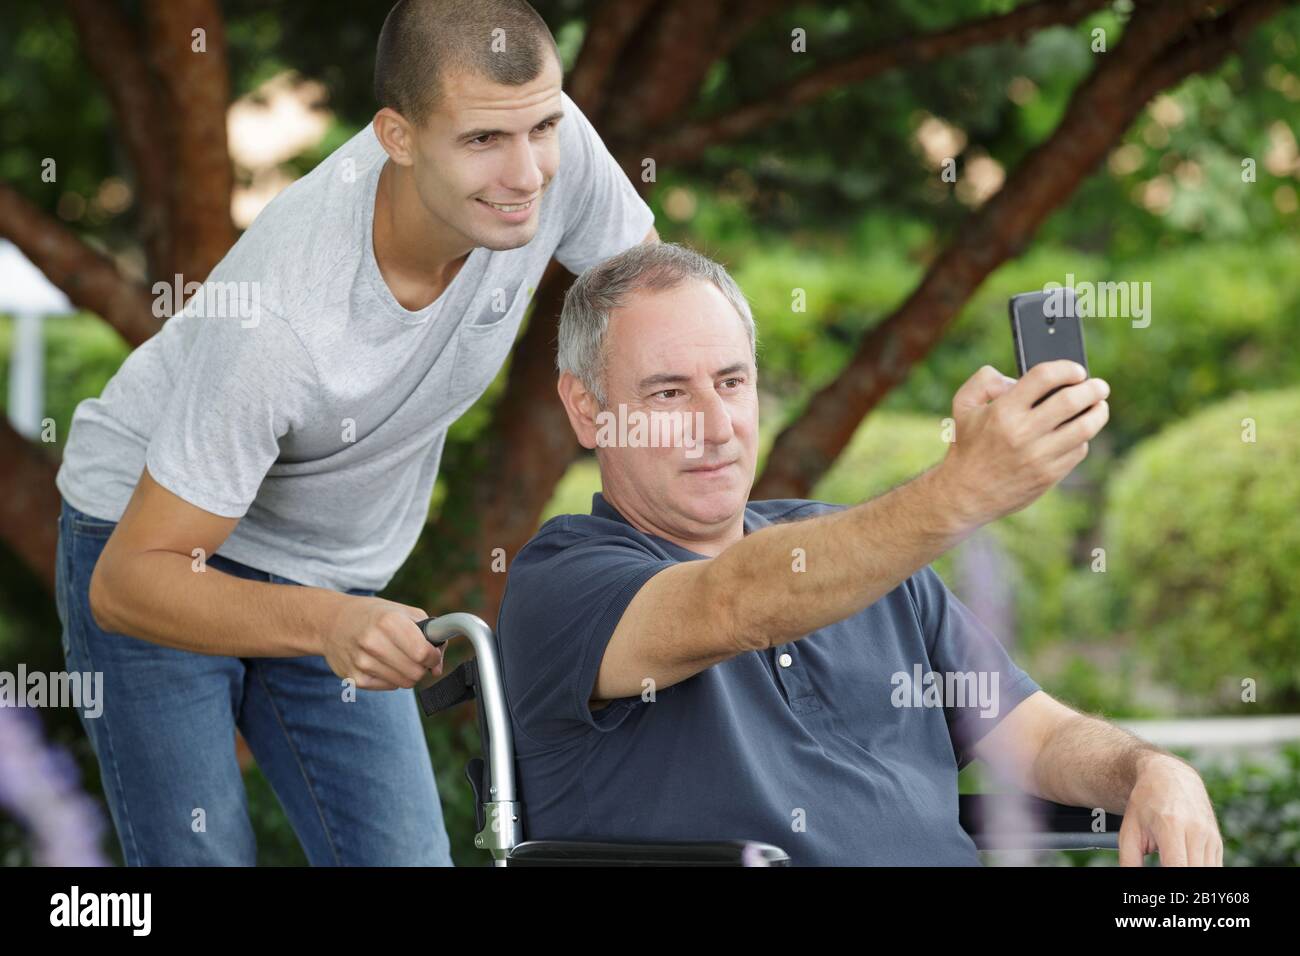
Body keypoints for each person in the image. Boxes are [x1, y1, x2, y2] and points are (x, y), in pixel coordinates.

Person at [53, 0, 657, 866]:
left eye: (544, 128)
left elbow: (655, 318)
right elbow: (125, 584)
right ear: (397, 136)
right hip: (152, 541)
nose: (528, 173)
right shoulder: (280, 318)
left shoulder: (549, 153)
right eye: (484, 140)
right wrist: (326, 624)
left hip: (333, 572)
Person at [496, 241, 1222, 866]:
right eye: (667, 394)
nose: (715, 426)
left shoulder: (865, 558)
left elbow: (1036, 736)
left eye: (732, 382)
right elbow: (732, 602)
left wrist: (1149, 772)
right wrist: (959, 490)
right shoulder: (562, 581)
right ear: (589, 410)